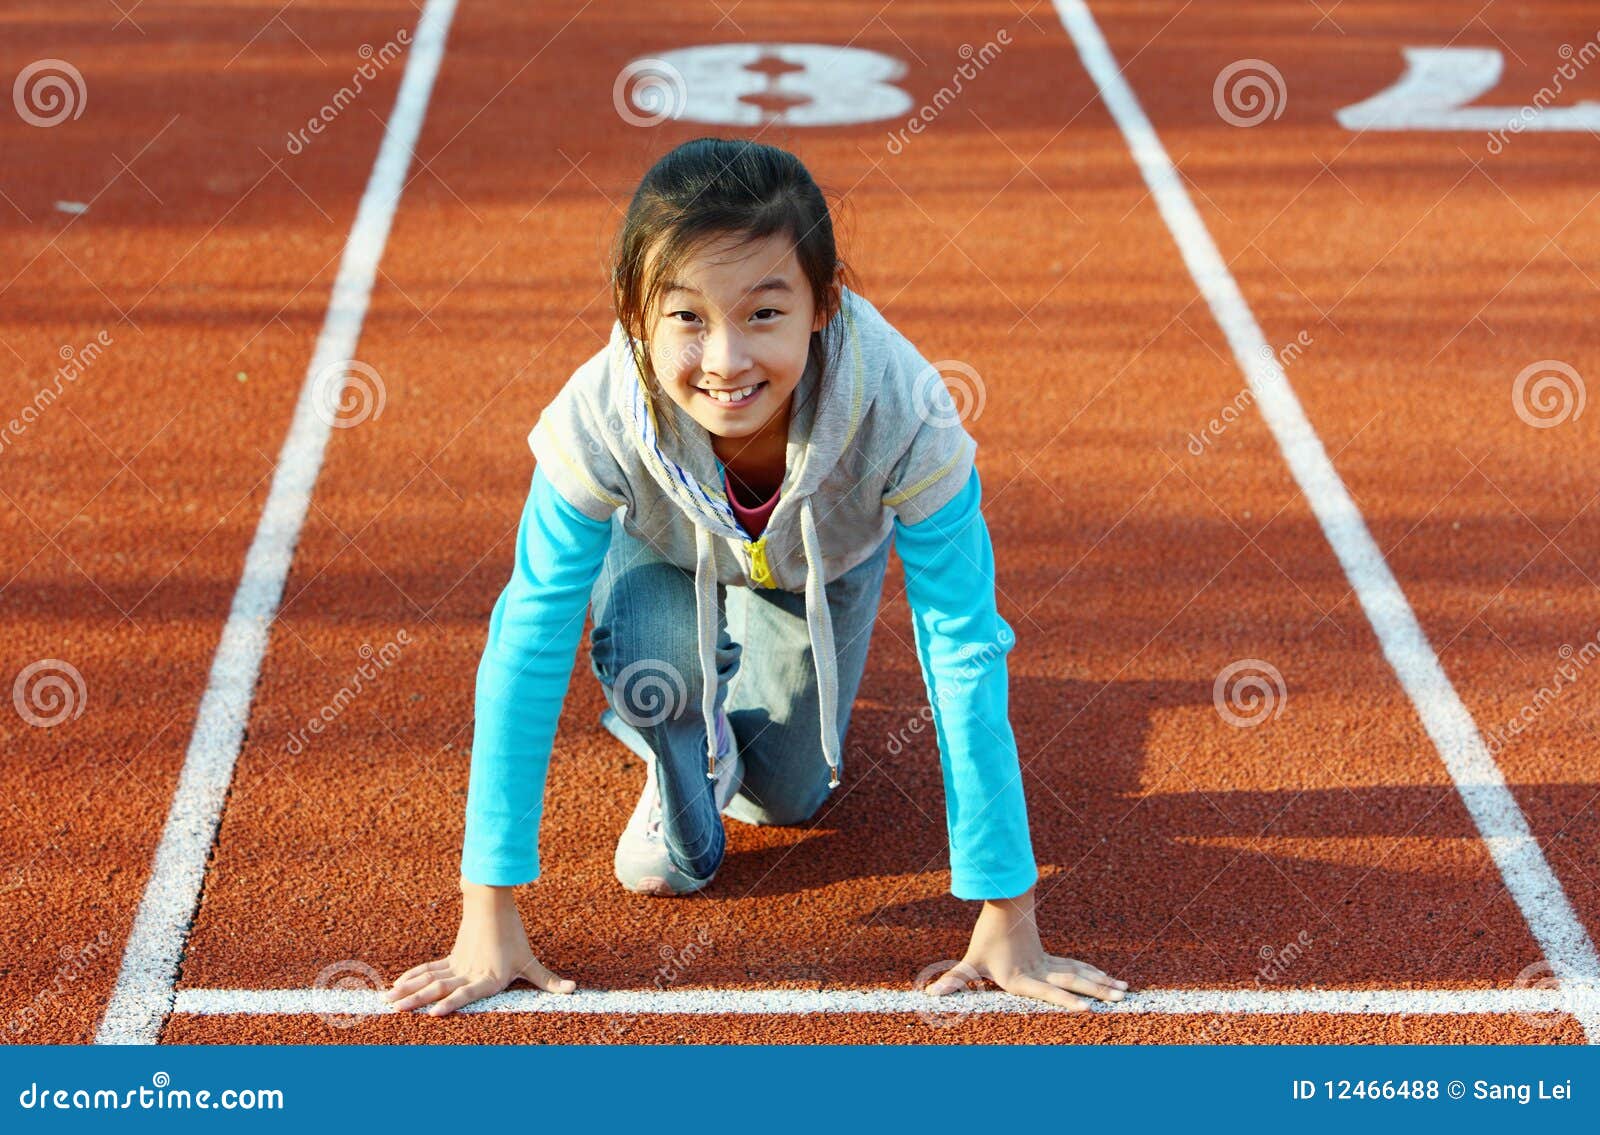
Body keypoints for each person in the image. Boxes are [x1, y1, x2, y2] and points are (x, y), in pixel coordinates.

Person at [384, 136, 1128, 1018]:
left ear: (824, 305)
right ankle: (677, 742)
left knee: (790, 799)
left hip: (820, 566)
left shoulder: (906, 409)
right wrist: (488, 913)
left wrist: (1010, 912)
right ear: (633, 313)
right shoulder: (599, 414)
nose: (726, 360)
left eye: (764, 313)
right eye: (687, 317)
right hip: (668, 554)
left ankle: (730, 741)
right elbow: (528, 634)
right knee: (660, 667)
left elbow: (963, 642)